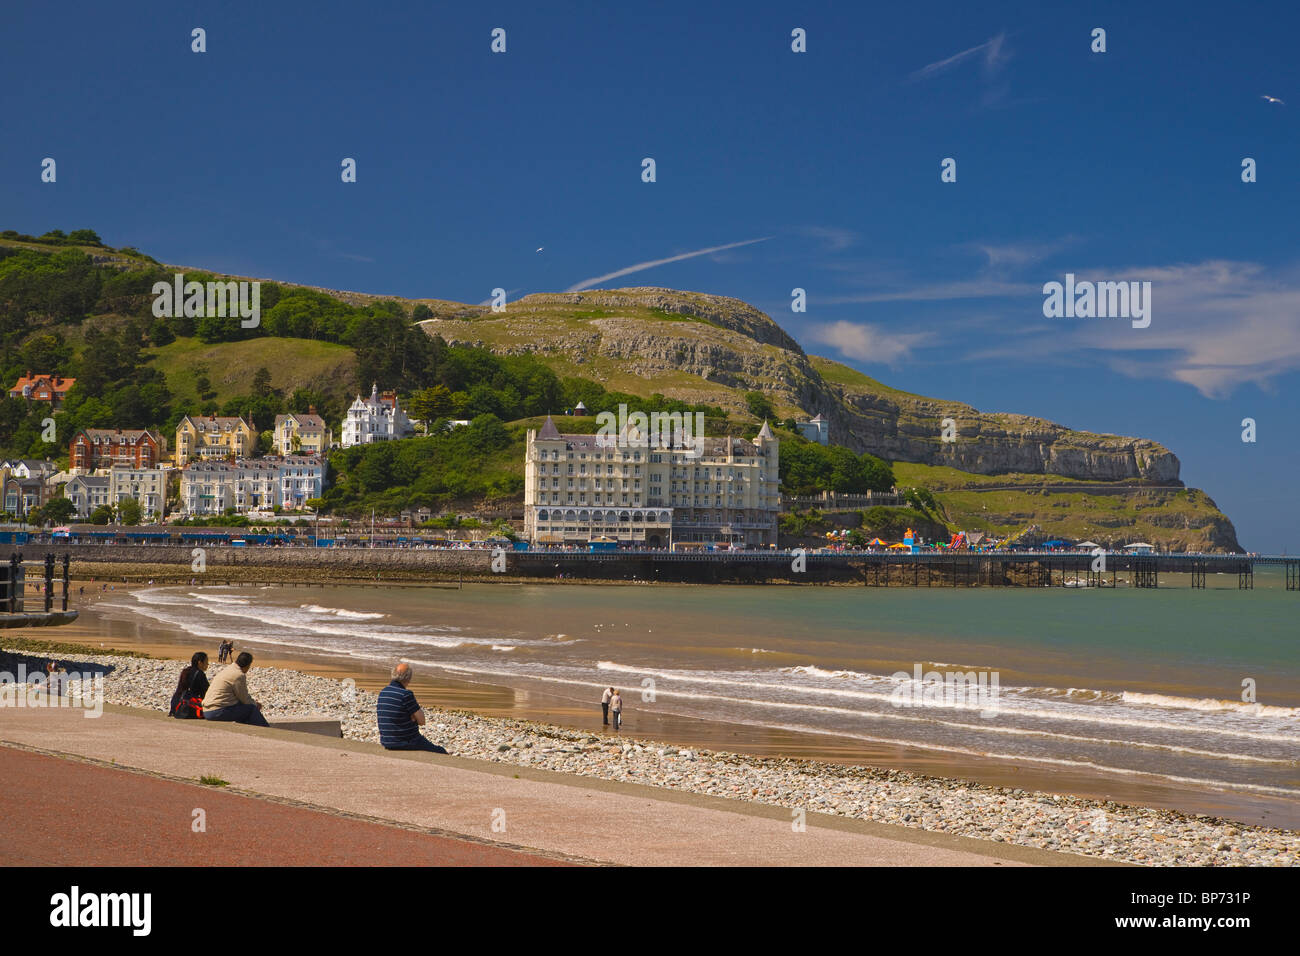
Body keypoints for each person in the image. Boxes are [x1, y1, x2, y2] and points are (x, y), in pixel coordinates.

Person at [377, 662, 447, 754]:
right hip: (407, 741)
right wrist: (412, 717)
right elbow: (422, 721)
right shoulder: (406, 694)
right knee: (441, 751)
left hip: (387, 741)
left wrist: (411, 716)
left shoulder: (383, 692)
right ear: (408, 678)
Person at [201, 652, 270, 726]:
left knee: (243, 708)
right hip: (217, 711)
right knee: (251, 709)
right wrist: (256, 704)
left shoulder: (229, 668)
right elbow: (244, 699)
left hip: (207, 710)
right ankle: (266, 729)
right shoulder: (239, 675)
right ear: (248, 665)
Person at [170, 652, 210, 718]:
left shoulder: (186, 671)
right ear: (200, 663)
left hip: (176, 705)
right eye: (206, 662)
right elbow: (206, 692)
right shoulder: (200, 674)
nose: (208, 664)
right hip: (188, 706)